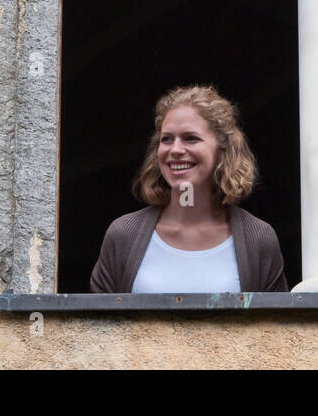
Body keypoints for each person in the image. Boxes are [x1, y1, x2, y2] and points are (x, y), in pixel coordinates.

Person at [90, 85, 288, 293]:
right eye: (166, 139)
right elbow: (96, 324)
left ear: (222, 151)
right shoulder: (123, 235)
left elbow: (276, 324)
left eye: (190, 138)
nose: (175, 150)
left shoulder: (258, 239)